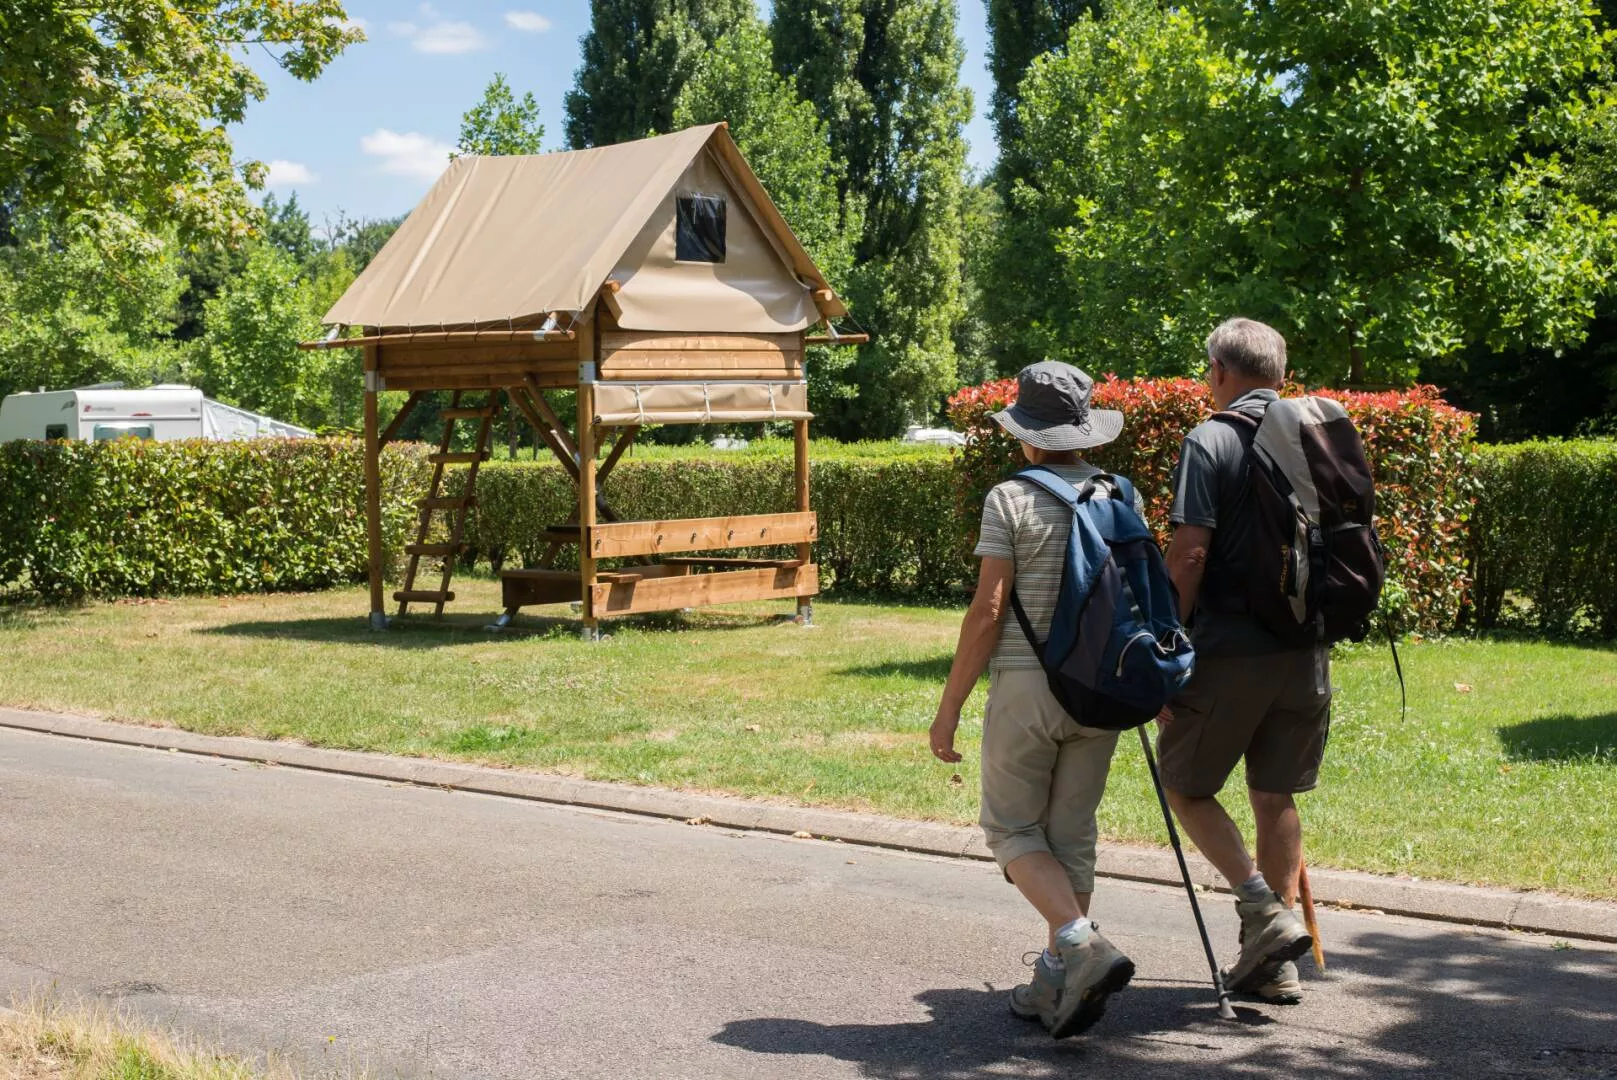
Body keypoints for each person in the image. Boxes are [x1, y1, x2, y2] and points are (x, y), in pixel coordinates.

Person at [929, 361, 1137, 1039]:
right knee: (1071, 836)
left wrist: (951, 702)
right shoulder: (1118, 493)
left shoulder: (1010, 498)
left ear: (1025, 432)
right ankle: (1057, 983)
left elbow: (988, 610)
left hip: (1027, 685)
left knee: (1012, 829)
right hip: (1101, 687)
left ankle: (1079, 942)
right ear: (1082, 431)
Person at [1157, 317, 1320, 1005]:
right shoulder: (1316, 435)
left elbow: (1190, 553)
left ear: (1220, 371)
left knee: (1184, 784)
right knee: (1272, 792)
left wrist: (1165, 643)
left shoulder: (1211, 438)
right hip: (1307, 648)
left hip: (1231, 648)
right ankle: (1273, 965)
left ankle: (1264, 913)